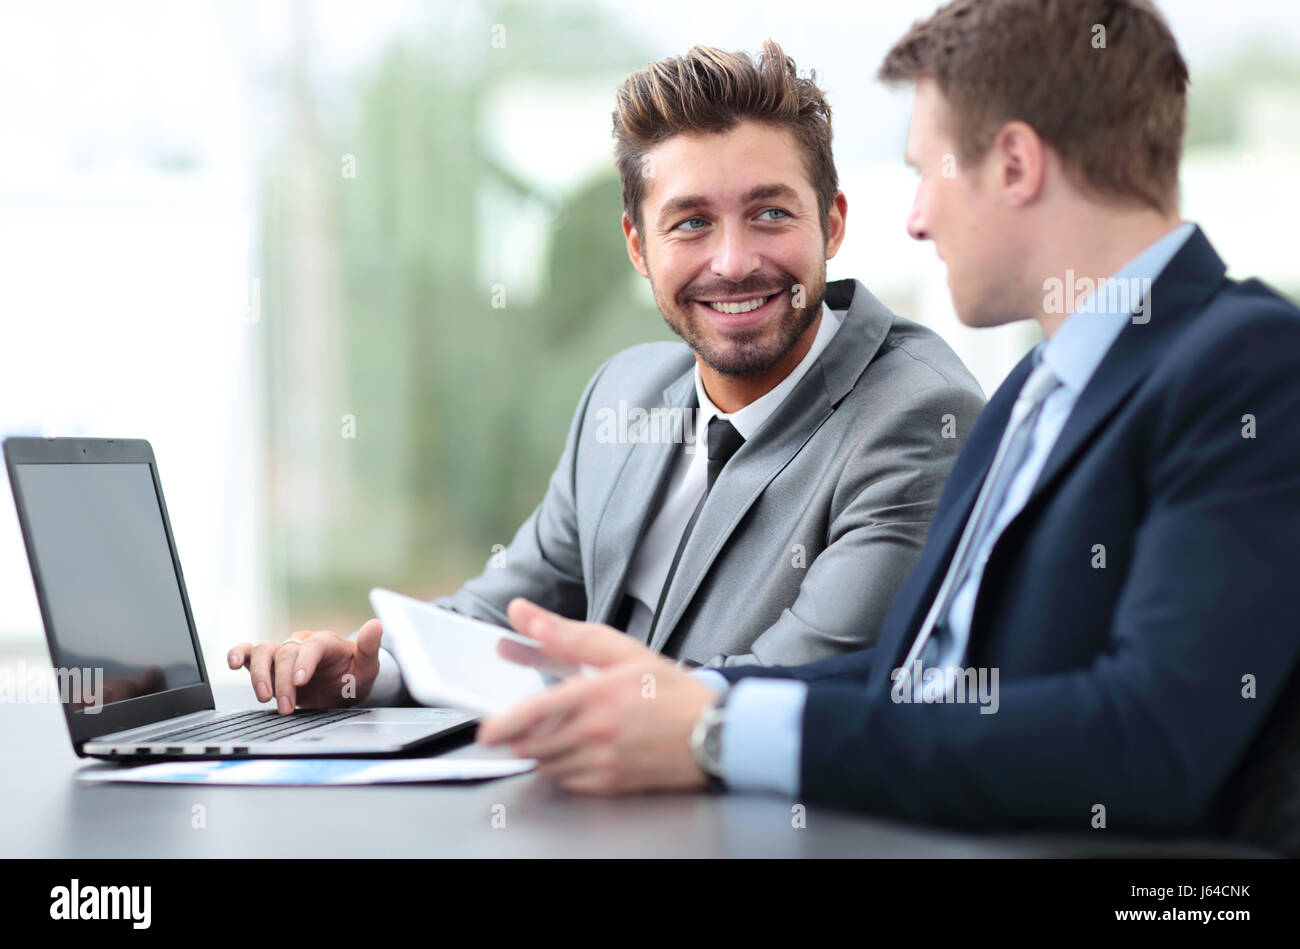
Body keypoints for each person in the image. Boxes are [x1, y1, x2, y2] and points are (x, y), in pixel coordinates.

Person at [477, 0, 1300, 852]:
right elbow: (914, 682)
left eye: (926, 171)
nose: (916, 217)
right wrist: (699, 703)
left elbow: (1148, 737)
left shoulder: (1250, 367)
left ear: (1015, 164)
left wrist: (716, 730)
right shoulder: (1033, 392)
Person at [229, 42, 984, 714]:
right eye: (690, 223)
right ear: (637, 245)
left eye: (770, 214)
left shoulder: (917, 414)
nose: (732, 261)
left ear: (833, 222)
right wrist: (372, 668)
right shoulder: (622, 396)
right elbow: (506, 610)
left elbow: (802, 680)